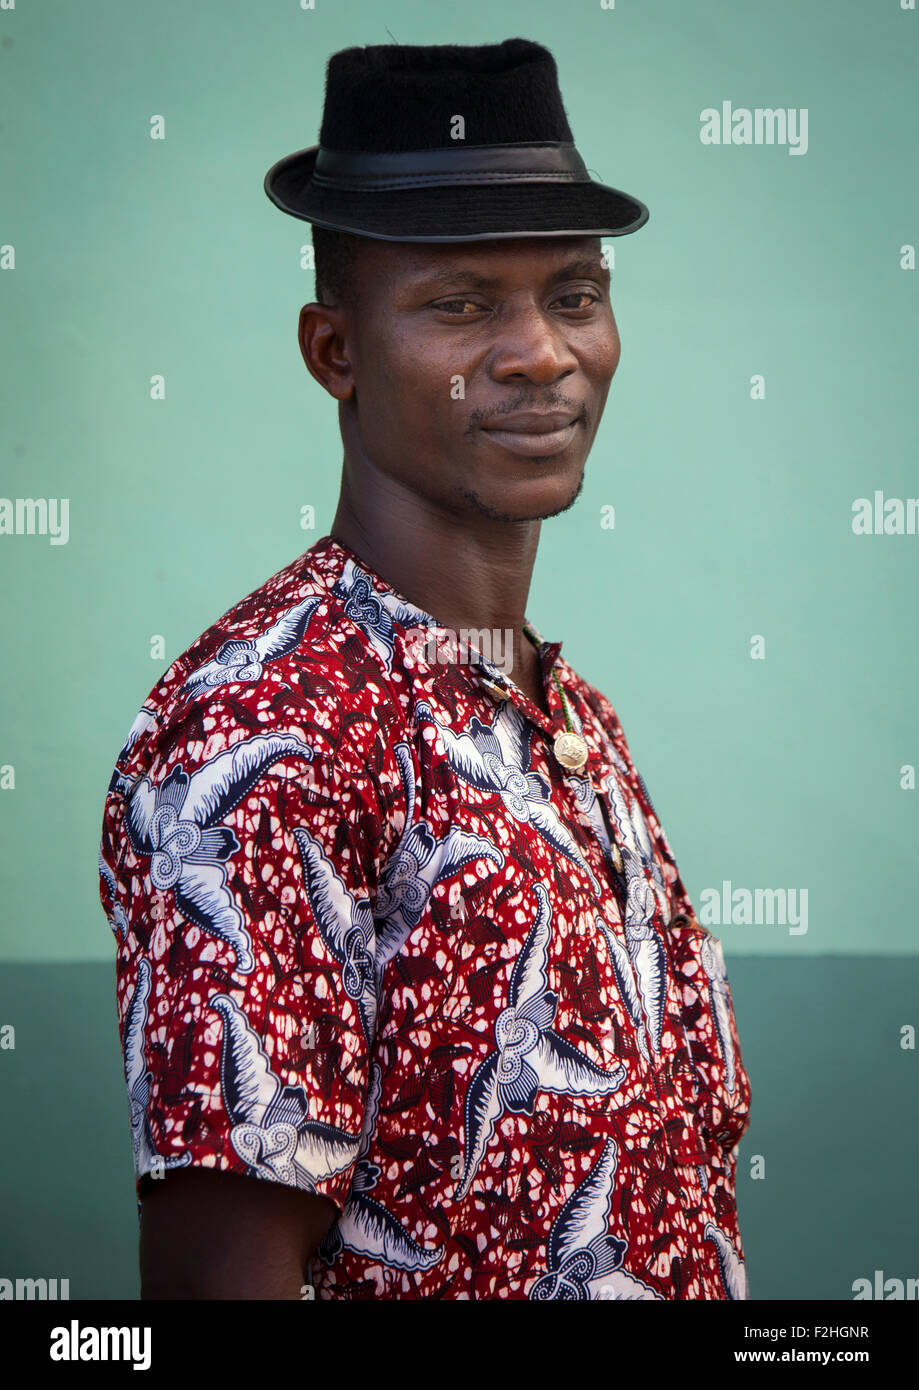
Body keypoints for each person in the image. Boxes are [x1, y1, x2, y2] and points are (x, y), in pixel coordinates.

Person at [97, 37, 752, 1301]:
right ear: (334, 353)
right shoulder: (262, 732)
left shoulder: (568, 718)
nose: (539, 353)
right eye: (460, 305)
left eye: (572, 293)